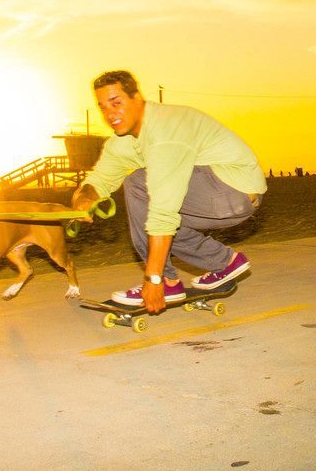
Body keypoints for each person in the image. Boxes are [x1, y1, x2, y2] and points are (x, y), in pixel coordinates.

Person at [72, 71, 266, 313]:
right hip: (223, 199)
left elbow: (163, 211)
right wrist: (85, 198)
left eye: (116, 103)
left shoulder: (165, 130)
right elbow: (100, 178)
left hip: (232, 187)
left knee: (140, 188)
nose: (110, 114)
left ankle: (166, 282)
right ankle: (225, 262)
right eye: (103, 107)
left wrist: (153, 277)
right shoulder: (122, 142)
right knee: (159, 223)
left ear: (137, 98)